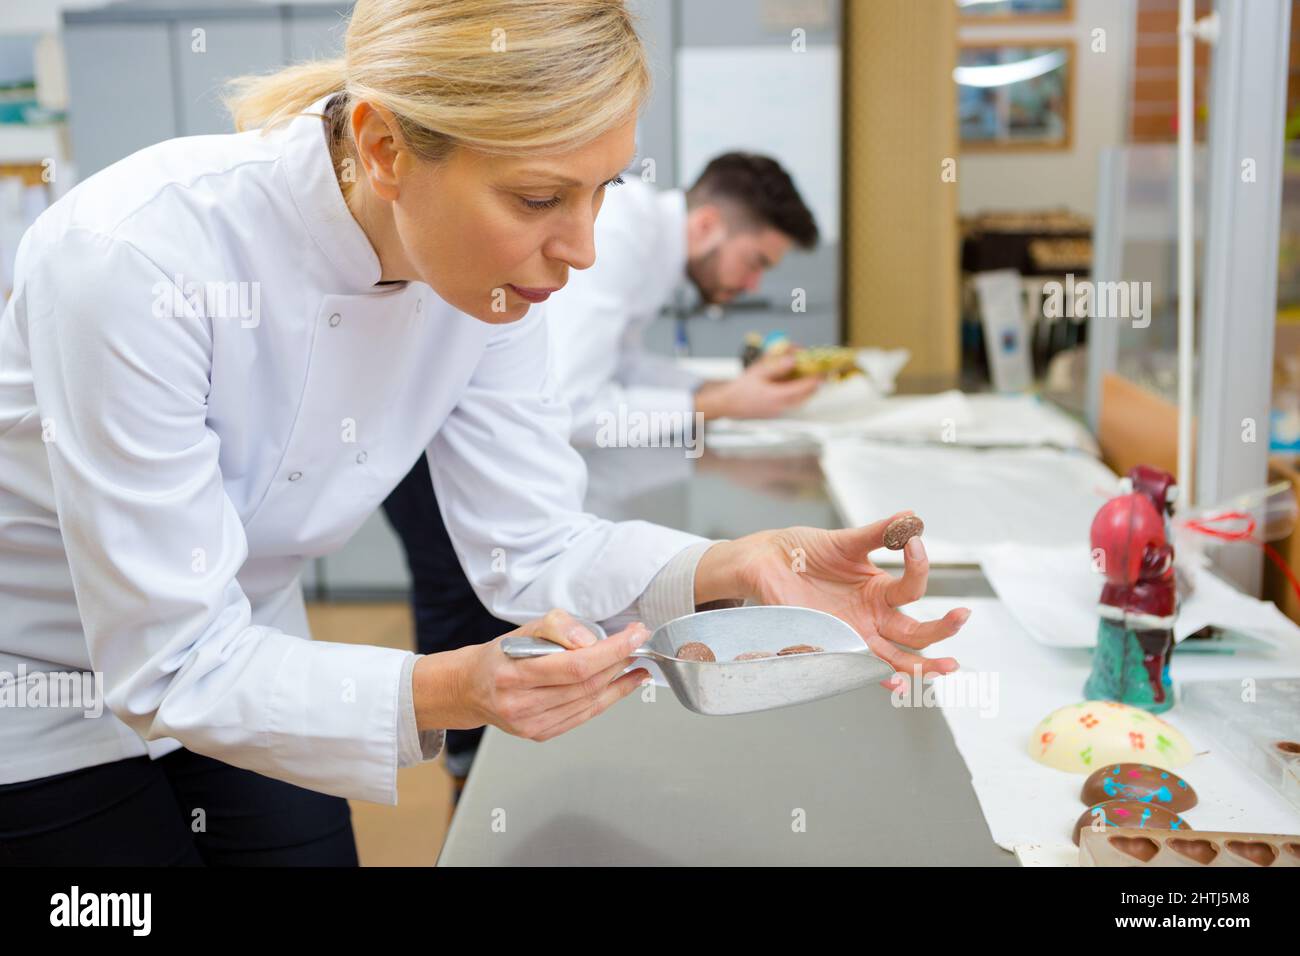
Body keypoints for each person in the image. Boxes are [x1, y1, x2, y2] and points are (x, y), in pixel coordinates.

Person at [0, 0, 967, 866]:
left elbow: (532, 543)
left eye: (603, 192)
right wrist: (451, 690)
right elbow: (165, 659)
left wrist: (738, 565)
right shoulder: (131, 257)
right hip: (45, 685)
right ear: (382, 148)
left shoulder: (488, 281)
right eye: (541, 198)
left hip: (252, 645)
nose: (581, 250)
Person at [382, 153, 828, 791]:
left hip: (466, 433)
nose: (751, 282)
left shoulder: (643, 243)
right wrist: (720, 402)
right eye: (755, 260)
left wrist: (719, 386)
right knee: (463, 605)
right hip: (442, 451)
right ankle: (470, 774)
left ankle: (478, 770)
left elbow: (620, 367)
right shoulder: (616, 237)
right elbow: (576, 403)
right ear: (707, 226)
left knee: (495, 600)